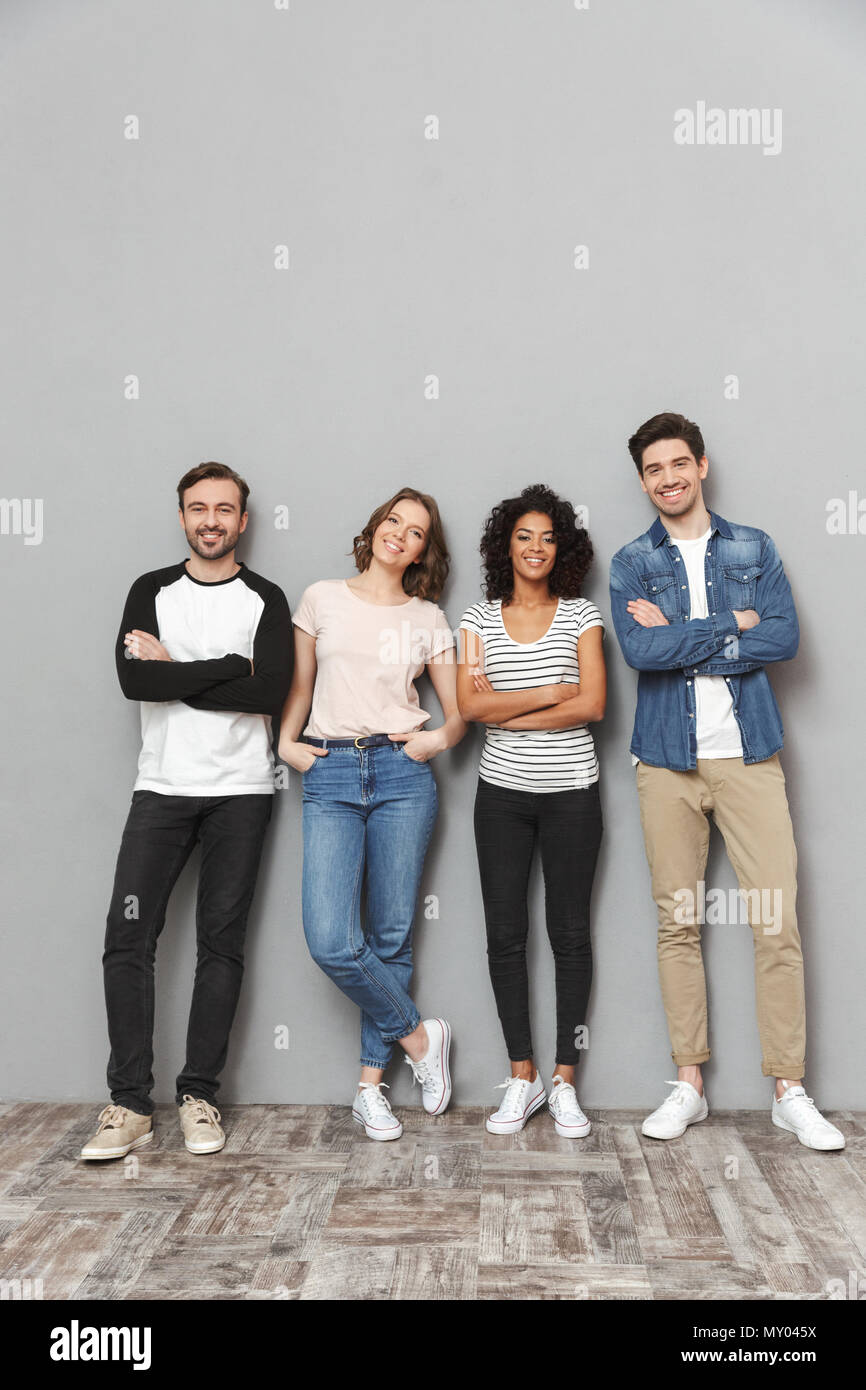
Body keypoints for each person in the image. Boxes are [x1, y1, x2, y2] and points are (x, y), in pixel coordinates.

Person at [609, 412, 844, 1150]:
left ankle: (788, 1090)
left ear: (702, 466)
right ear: (643, 480)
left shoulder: (753, 546)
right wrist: (731, 624)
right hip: (666, 760)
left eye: (679, 464)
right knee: (677, 922)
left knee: (775, 920)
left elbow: (784, 635)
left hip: (749, 755)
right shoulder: (629, 564)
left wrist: (694, 633)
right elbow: (643, 653)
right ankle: (689, 1085)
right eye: (654, 469)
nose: (668, 478)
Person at [81, 463, 293, 1161]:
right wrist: (226, 666)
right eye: (198, 508)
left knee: (221, 946)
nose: (211, 520)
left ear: (242, 520)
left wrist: (178, 667)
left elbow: (270, 695)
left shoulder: (266, 597)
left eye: (224, 509)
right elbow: (132, 678)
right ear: (182, 517)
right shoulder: (151, 589)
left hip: (242, 794)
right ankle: (129, 1104)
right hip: (163, 790)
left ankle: (198, 1095)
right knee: (128, 936)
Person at [278, 488, 466, 1141]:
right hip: (329, 769)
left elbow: (460, 708)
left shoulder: (428, 617)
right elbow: (301, 687)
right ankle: (420, 1035)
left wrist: (435, 741)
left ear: (422, 551)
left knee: (389, 937)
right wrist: (286, 744)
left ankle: (369, 1088)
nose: (401, 535)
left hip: (401, 774)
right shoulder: (321, 598)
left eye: (415, 532)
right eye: (394, 522)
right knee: (332, 938)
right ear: (376, 527)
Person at [457, 484, 606, 1138]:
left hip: (573, 792)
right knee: (505, 935)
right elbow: (468, 708)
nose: (536, 547)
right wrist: (550, 689)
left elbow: (594, 705)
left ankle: (564, 1080)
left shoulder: (582, 616)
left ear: (562, 546)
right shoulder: (476, 620)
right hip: (501, 798)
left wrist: (507, 703)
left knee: (570, 935)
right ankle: (522, 1076)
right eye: (524, 536)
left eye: (548, 536)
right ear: (505, 546)